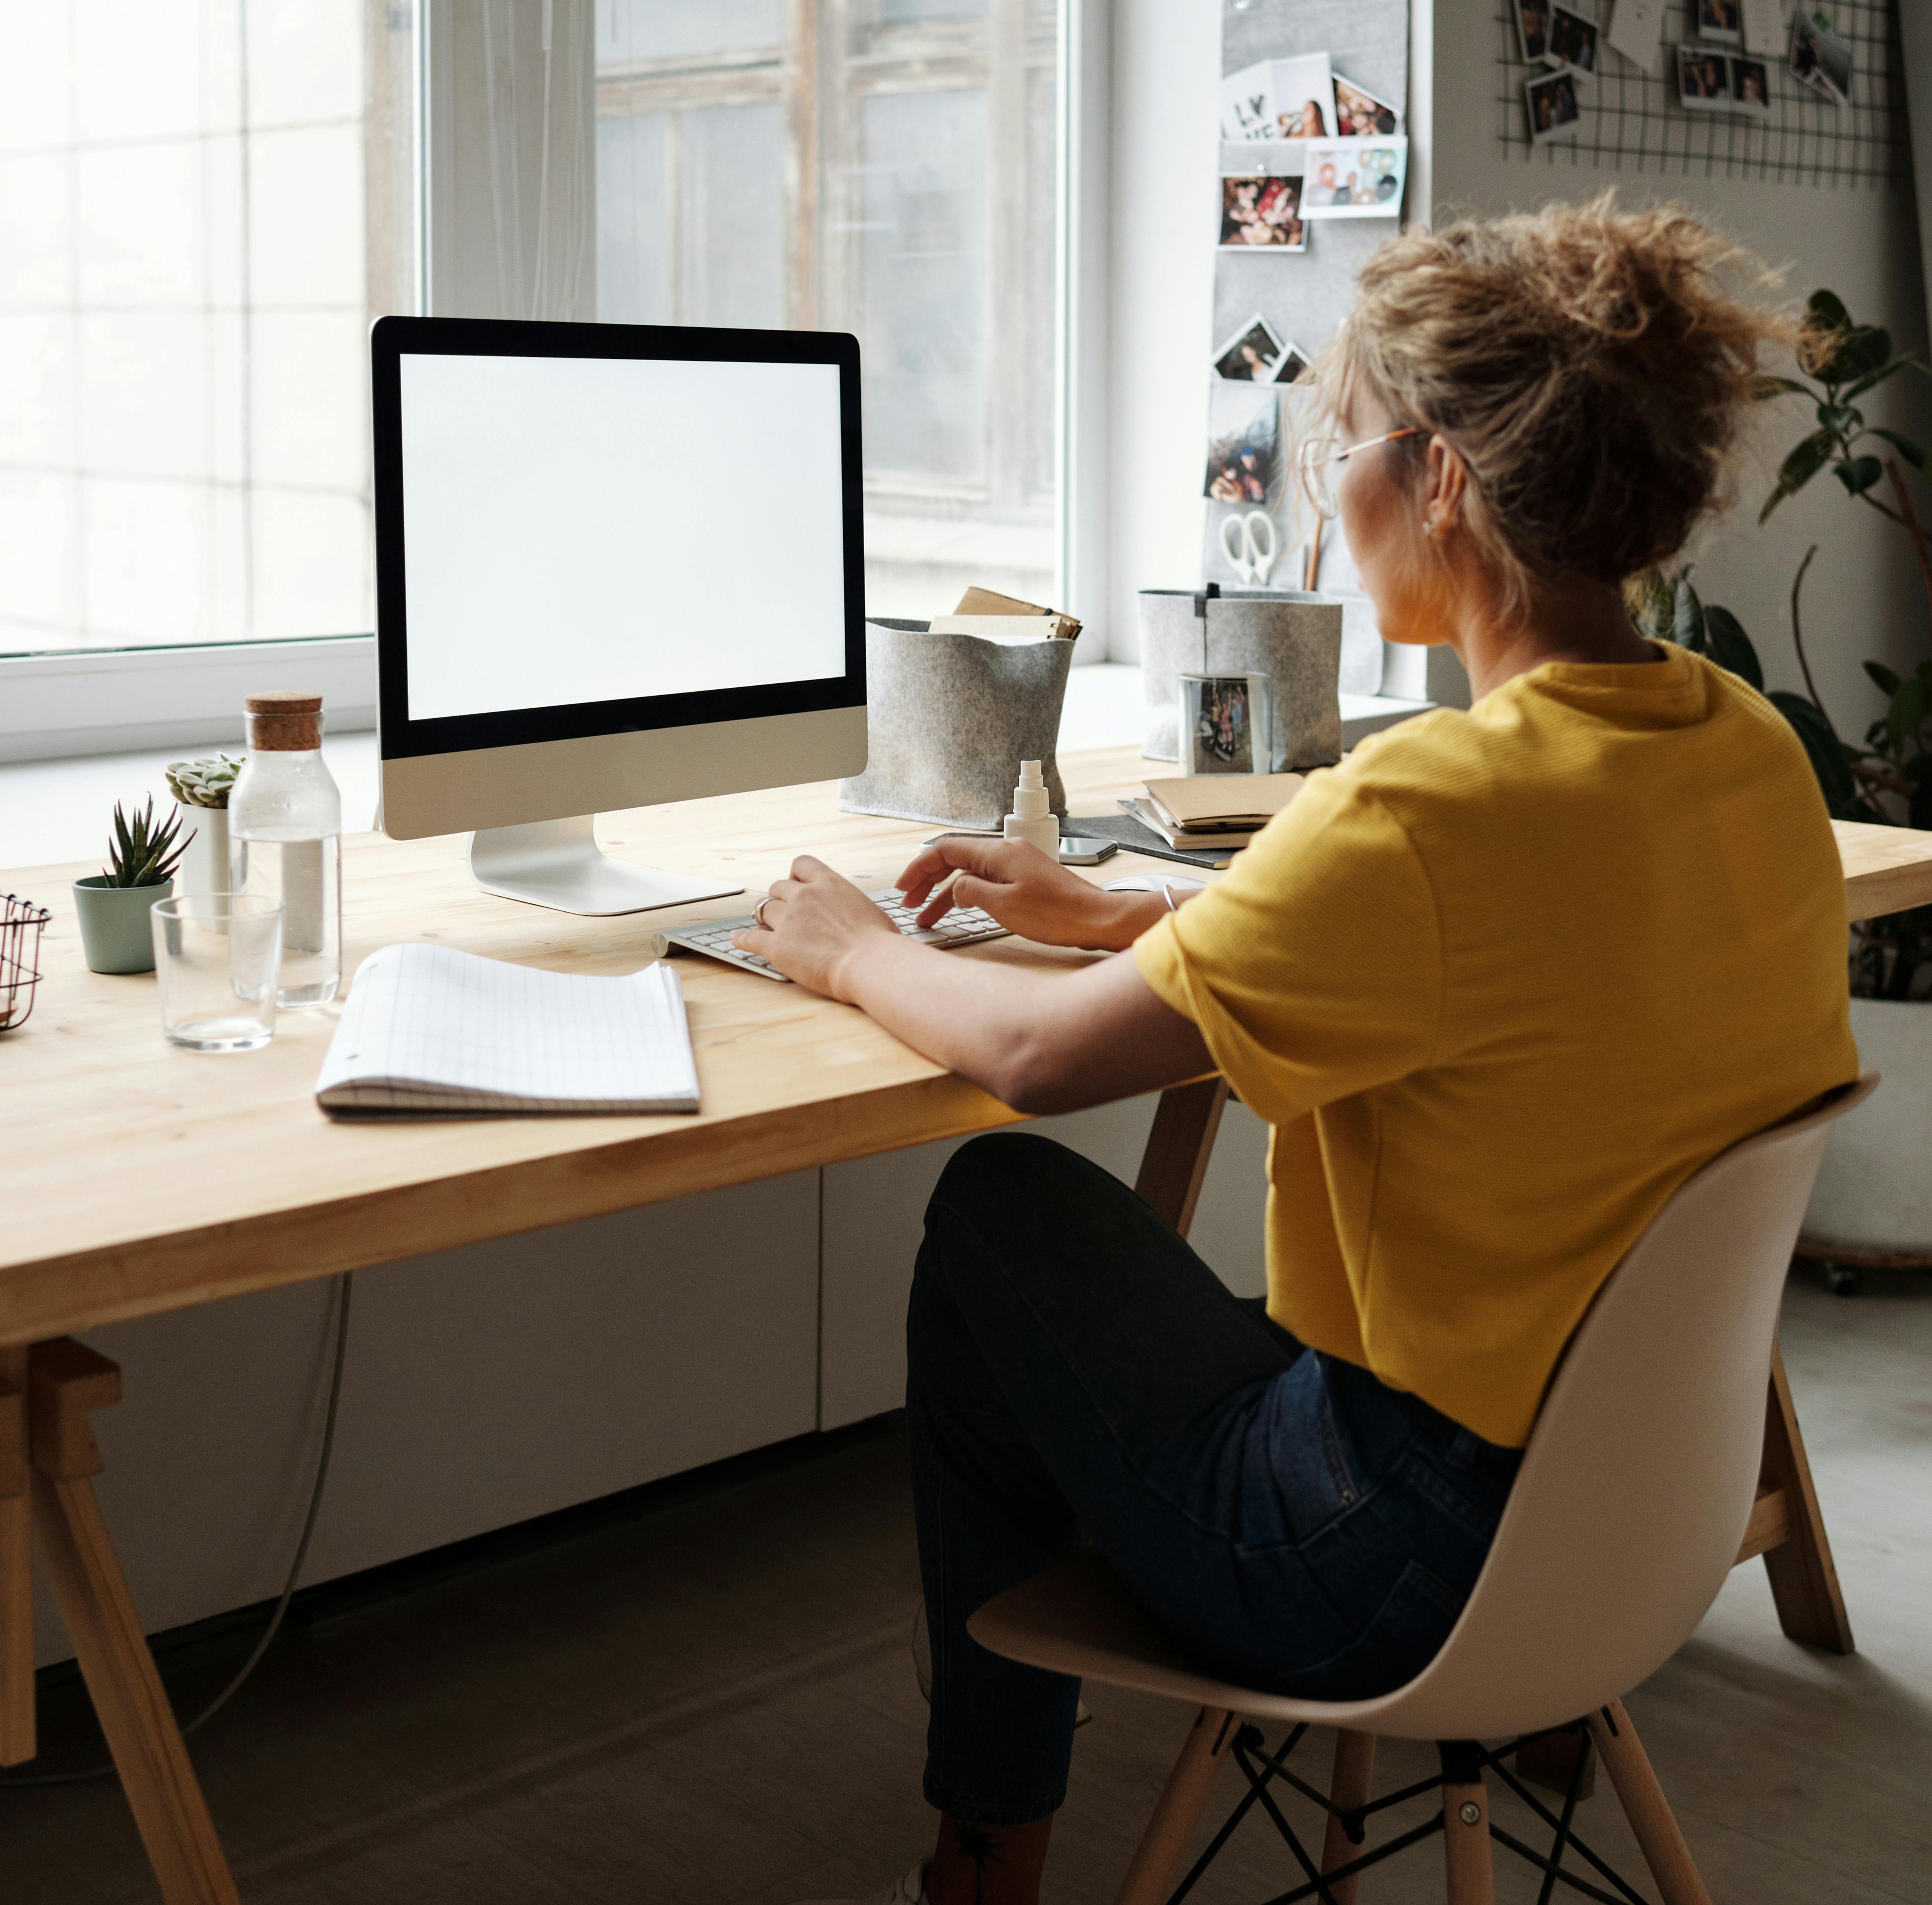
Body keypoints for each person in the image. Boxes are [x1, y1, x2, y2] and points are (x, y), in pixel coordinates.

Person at [741, 195, 1859, 1905]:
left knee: (998, 1211)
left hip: (1387, 1554)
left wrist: (853, 949)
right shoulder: (1744, 747)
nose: (1327, 497)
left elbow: (1036, 1062)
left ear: (1444, 484)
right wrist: (1123, 916)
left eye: (1348, 446)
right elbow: (1507, 963)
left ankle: (987, 1845)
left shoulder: (1424, 806)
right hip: (1628, 1524)